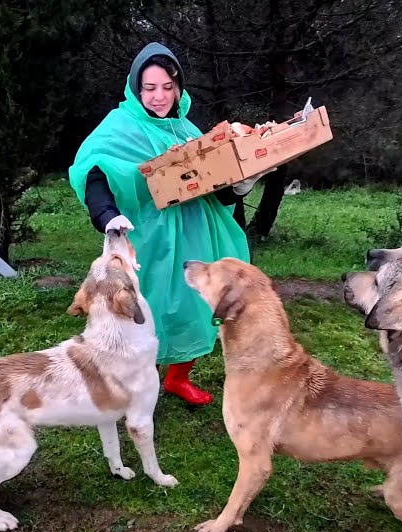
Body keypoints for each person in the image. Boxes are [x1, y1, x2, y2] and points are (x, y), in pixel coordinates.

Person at [68, 42, 266, 406]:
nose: (159, 96)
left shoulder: (188, 130)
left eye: (166, 87)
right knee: (148, 309)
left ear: (178, 88)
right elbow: (94, 172)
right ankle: (138, 385)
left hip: (198, 236)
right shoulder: (120, 126)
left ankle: (178, 378)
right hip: (149, 236)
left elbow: (214, 191)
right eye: (149, 87)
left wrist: (239, 185)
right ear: (136, 88)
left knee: (194, 306)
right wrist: (108, 217)